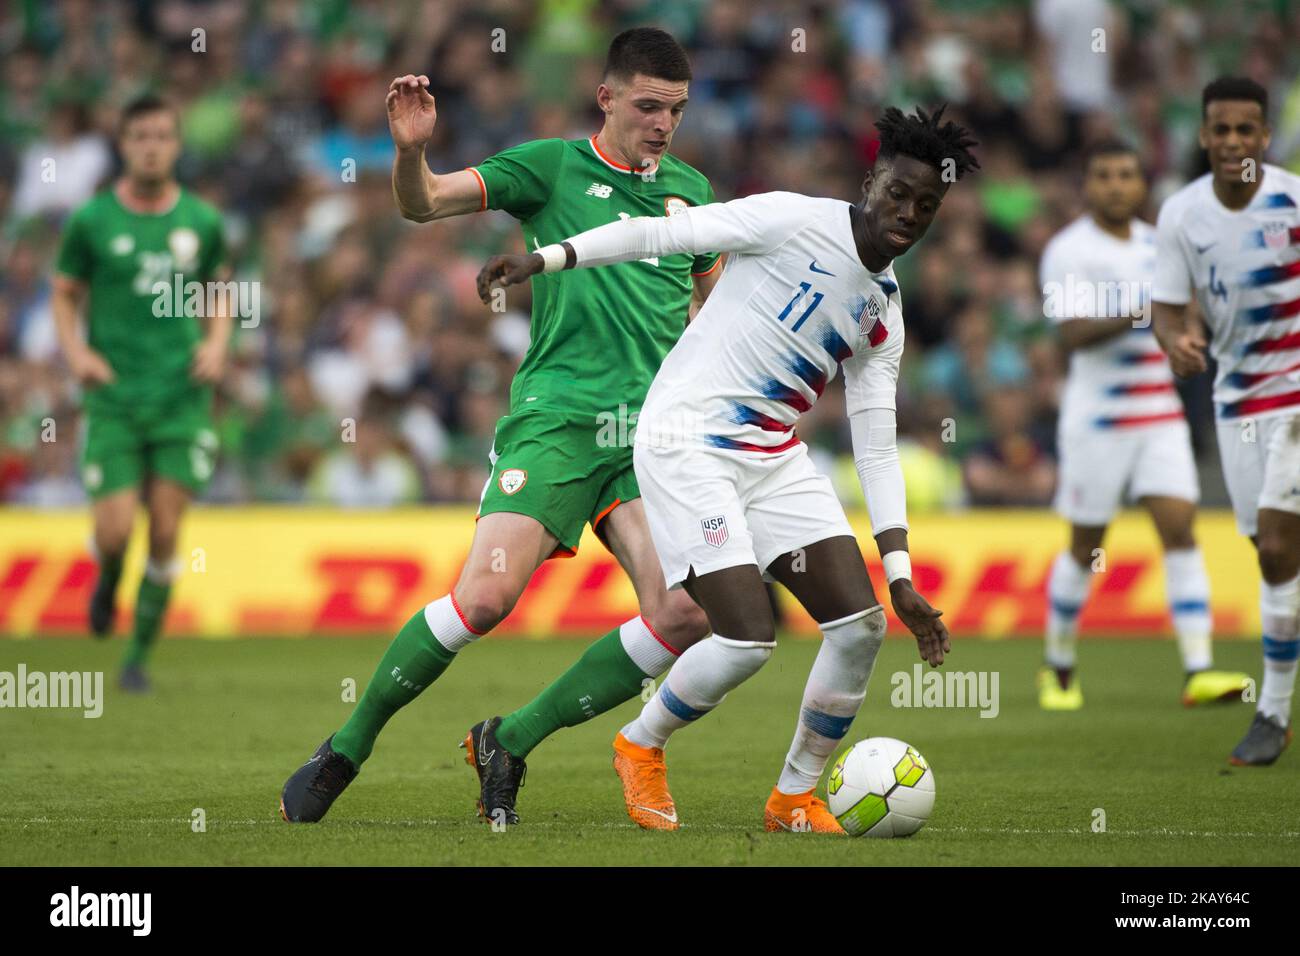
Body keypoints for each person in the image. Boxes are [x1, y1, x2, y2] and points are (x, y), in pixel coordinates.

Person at [478, 105, 974, 832]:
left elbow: (875, 444)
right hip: (686, 439)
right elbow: (661, 232)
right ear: (871, 181)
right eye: (898, 193)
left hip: (770, 455)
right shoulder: (790, 219)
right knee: (745, 637)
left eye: (926, 206)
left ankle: (793, 797)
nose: (908, 212)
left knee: (861, 628)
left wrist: (900, 574)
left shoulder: (883, 315)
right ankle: (638, 744)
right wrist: (547, 259)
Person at [280, 27, 722, 825]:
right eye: (650, 106)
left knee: (685, 613)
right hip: (555, 421)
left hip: (649, 439)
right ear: (608, 97)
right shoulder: (550, 167)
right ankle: (346, 745)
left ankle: (509, 741)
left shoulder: (692, 191)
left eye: (677, 111)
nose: (663, 124)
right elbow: (423, 205)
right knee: (484, 601)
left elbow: (715, 309)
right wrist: (412, 153)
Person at [1039, 138, 1249, 710]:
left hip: (1159, 411)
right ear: (1088, 184)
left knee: (1180, 531)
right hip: (1098, 419)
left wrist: (1188, 338)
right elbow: (1070, 332)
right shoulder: (1067, 250)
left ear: (1141, 184)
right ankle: (1058, 663)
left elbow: (1186, 315)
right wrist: (1141, 309)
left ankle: (1198, 669)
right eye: (1104, 175)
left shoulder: (1161, 245)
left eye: (1126, 175)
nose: (1115, 185)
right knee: (1086, 545)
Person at [52, 94, 229, 692]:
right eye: (140, 136)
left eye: (161, 135)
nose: (151, 145)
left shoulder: (202, 221)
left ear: (175, 145)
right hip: (114, 398)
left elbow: (221, 289)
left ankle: (135, 659)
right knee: (114, 532)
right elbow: (64, 292)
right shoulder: (91, 221)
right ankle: (106, 578)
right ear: (124, 146)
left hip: (180, 397)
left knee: (166, 530)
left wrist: (217, 343)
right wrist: (77, 354)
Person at [1152, 77, 1300, 766]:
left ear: (1265, 137)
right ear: (1205, 136)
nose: (1234, 141)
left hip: (1295, 397)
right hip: (1237, 401)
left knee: (1276, 549)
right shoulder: (1182, 215)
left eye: (1247, 129)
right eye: (1222, 129)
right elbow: (1166, 307)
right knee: (1269, 553)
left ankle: (1271, 713)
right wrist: (1177, 341)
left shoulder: (1293, 200)